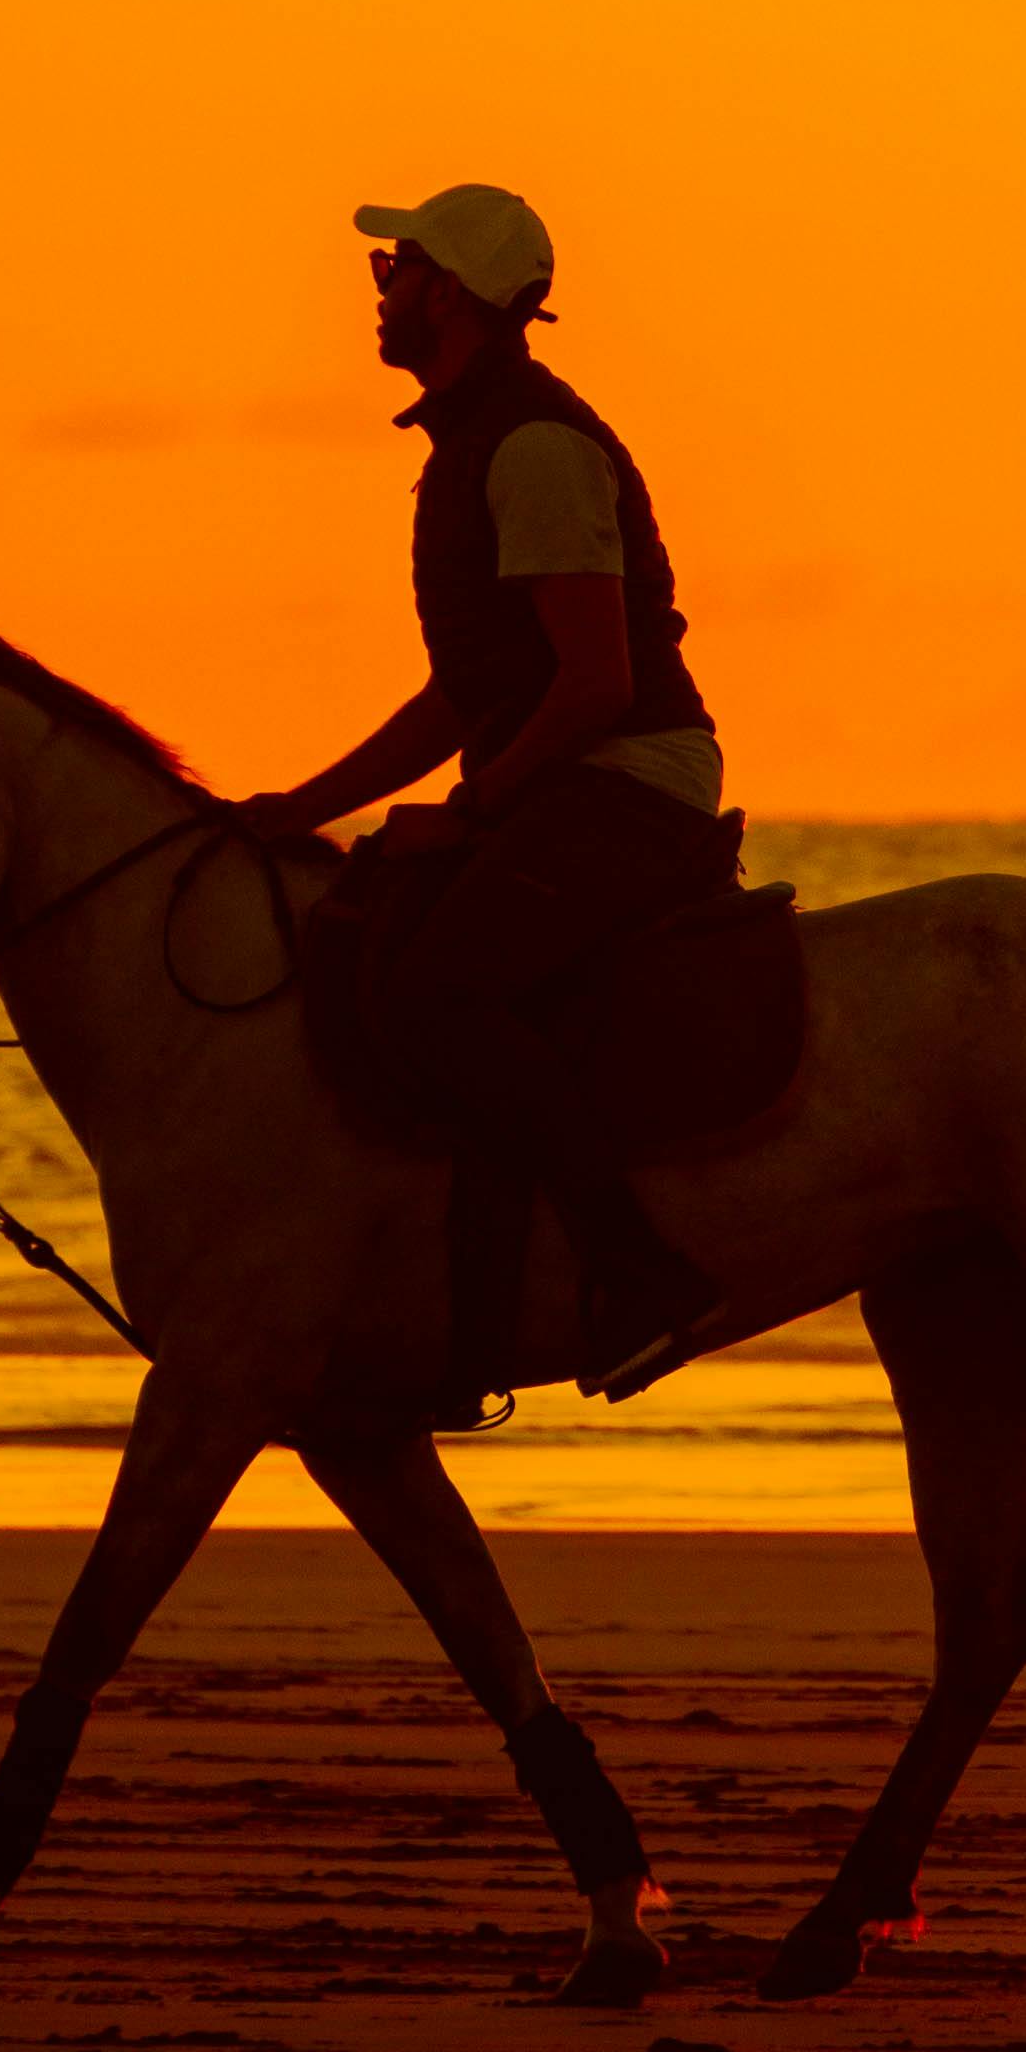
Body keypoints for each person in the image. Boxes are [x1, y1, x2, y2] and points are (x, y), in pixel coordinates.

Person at [234, 183, 732, 1404]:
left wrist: (471, 810)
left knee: (438, 991)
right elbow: (468, 694)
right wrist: (302, 808)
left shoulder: (535, 449)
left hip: (627, 778)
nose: (380, 291)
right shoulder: (471, 443)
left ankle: (638, 1273)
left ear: (448, 293)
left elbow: (596, 685)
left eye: (393, 271)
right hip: (560, 771)